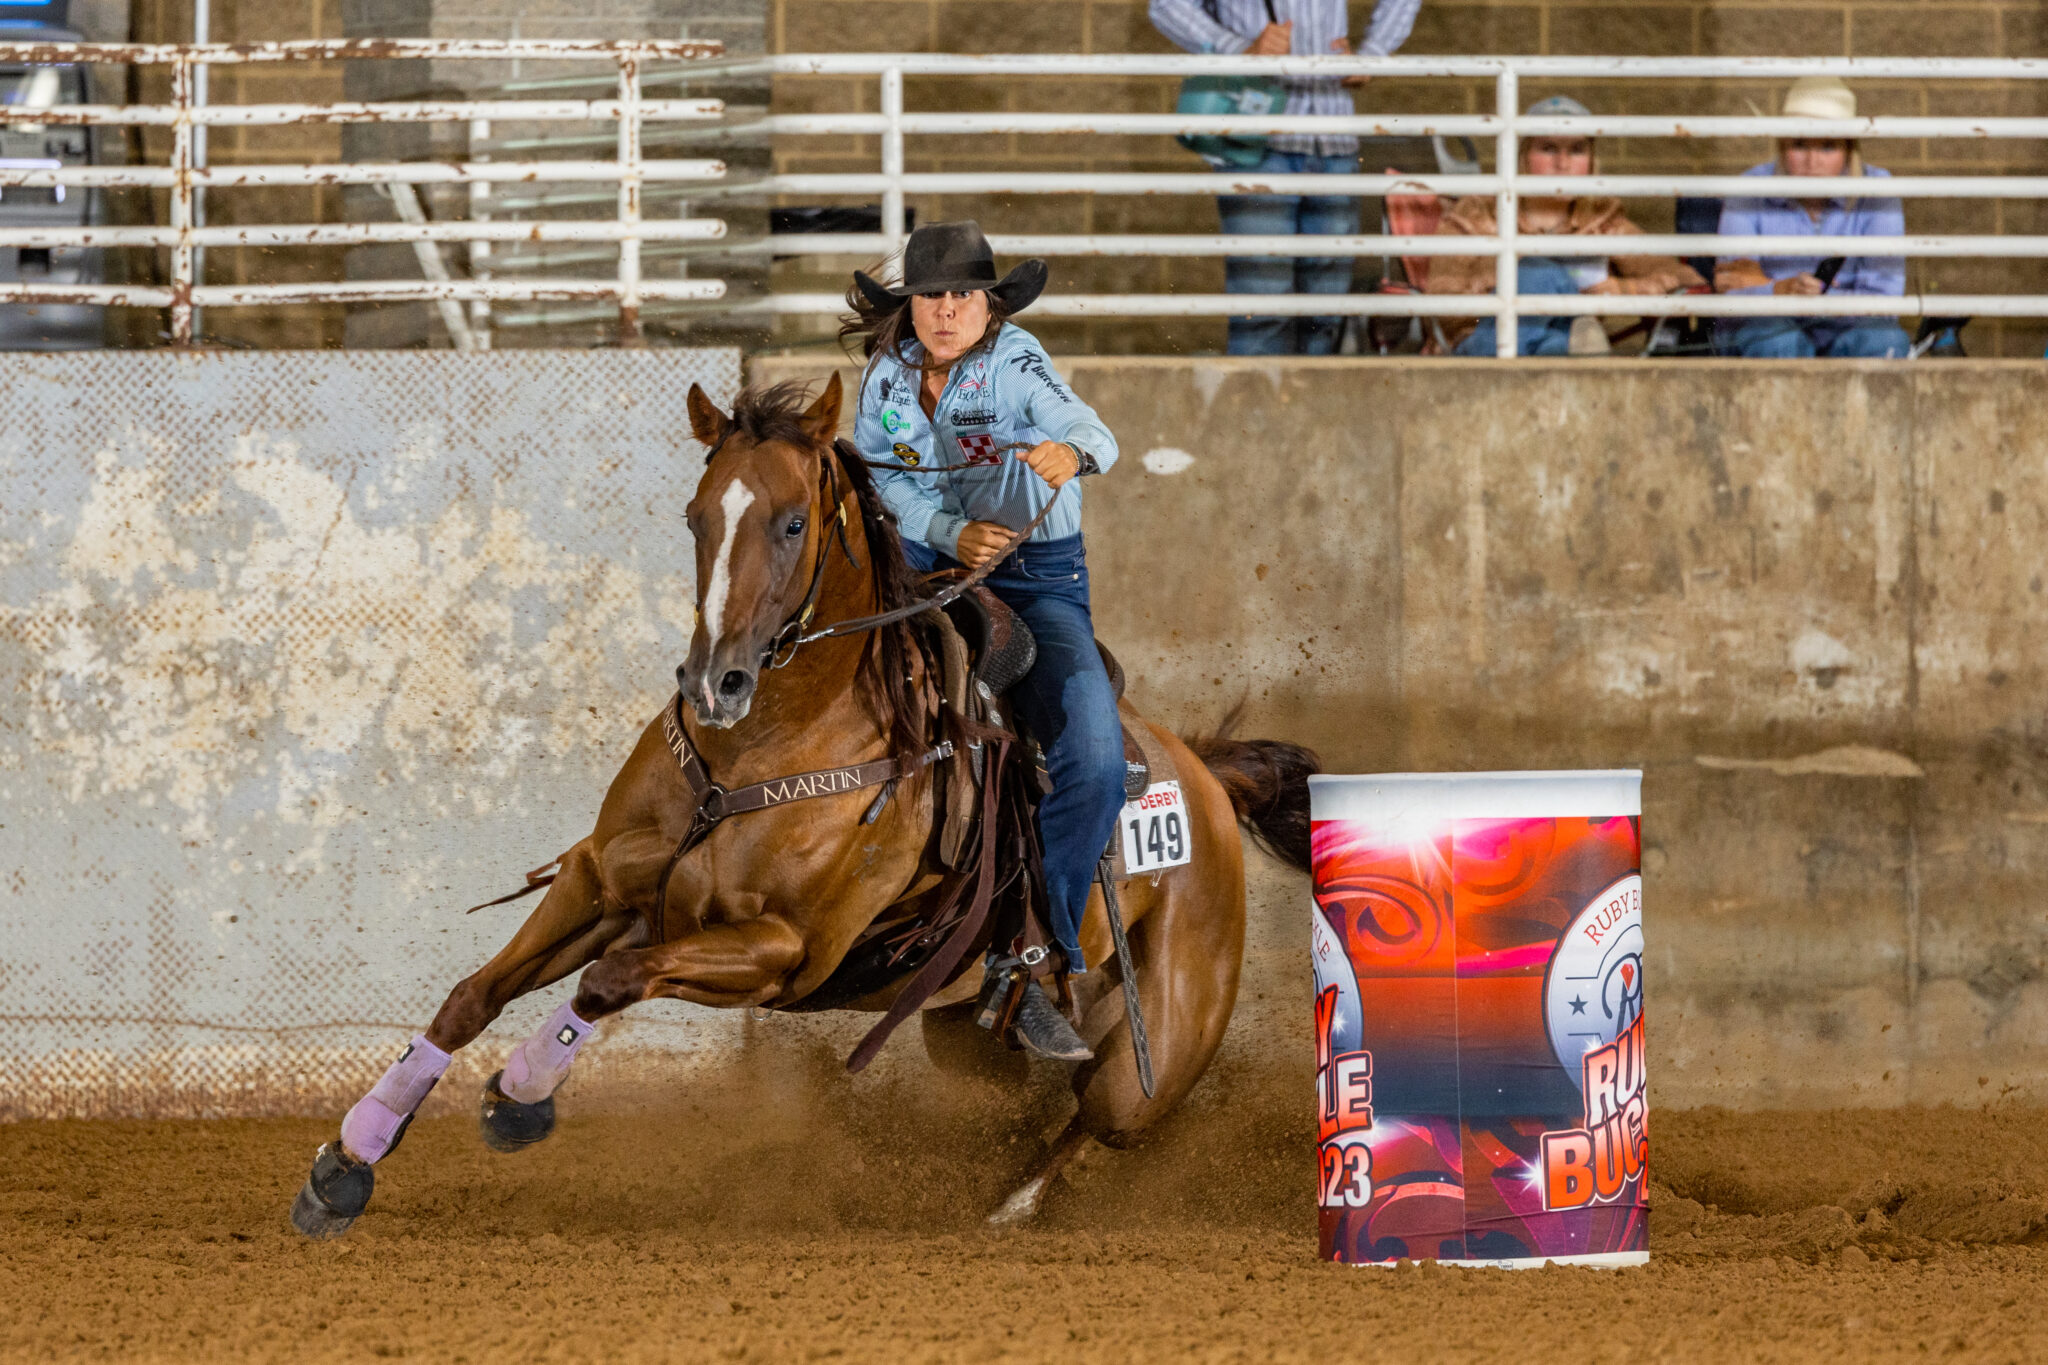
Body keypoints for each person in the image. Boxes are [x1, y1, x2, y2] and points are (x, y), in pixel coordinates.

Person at [845, 220, 1124, 1064]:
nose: (945, 309)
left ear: (988, 305)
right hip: (925, 565)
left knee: (1096, 759)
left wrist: (1070, 450)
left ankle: (1038, 955)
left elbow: (1088, 427)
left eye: (962, 294)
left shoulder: (1017, 360)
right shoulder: (886, 374)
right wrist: (946, 527)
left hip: (1034, 577)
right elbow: (878, 474)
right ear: (910, 305)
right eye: (930, 294)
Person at [1149, 0, 1422, 355]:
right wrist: (1238, 49)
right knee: (1262, 308)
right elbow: (1167, 6)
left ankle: (1313, 406)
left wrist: (1374, 52)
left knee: (1327, 311)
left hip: (1332, 139)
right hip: (1257, 142)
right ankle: (1257, 406)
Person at [1425, 95, 1705, 356]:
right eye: (1548, 148)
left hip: (1533, 348)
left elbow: (1686, 279)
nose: (1563, 163)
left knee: (1558, 340)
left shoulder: (1601, 220)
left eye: (1577, 150)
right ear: (1523, 157)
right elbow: (1443, 304)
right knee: (1541, 277)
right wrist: (1511, 282)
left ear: (1591, 160)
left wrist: (1623, 288)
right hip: (1478, 339)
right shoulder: (1479, 212)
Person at [1713, 77, 1909, 359]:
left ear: (1848, 150)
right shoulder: (1749, 188)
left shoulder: (1877, 190)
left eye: (1828, 146)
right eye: (1800, 144)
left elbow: (1885, 300)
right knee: (1776, 341)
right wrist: (1781, 291)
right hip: (1767, 328)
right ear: (1782, 145)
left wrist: (1821, 301)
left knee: (1884, 340)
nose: (1812, 161)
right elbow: (1730, 292)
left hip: (1847, 329)